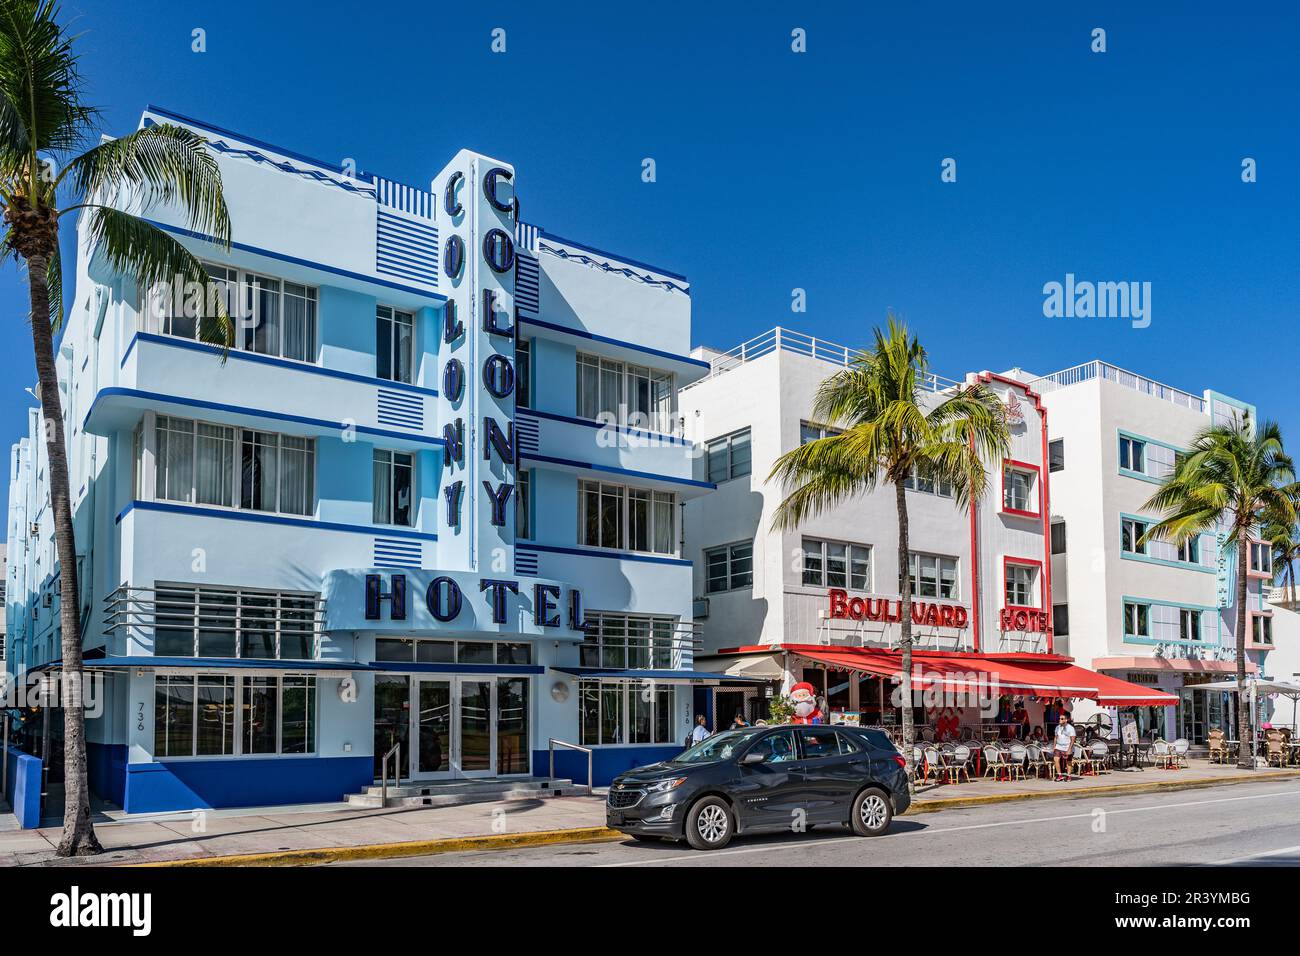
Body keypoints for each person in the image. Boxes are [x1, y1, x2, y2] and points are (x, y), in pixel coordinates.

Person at [1053, 710, 1077, 781]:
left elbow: (1073, 739)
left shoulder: (1070, 728)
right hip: (1059, 746)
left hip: (1067, 746)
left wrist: (1070, 749)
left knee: (1068, 762)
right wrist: (1054, 746)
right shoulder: (1057, 727)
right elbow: (1056, 737)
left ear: (1066, 720)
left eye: (1062, 719)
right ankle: (1060, 775)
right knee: (1056, 759)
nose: (1060, 720)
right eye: (1059, 718)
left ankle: (1069, 776)